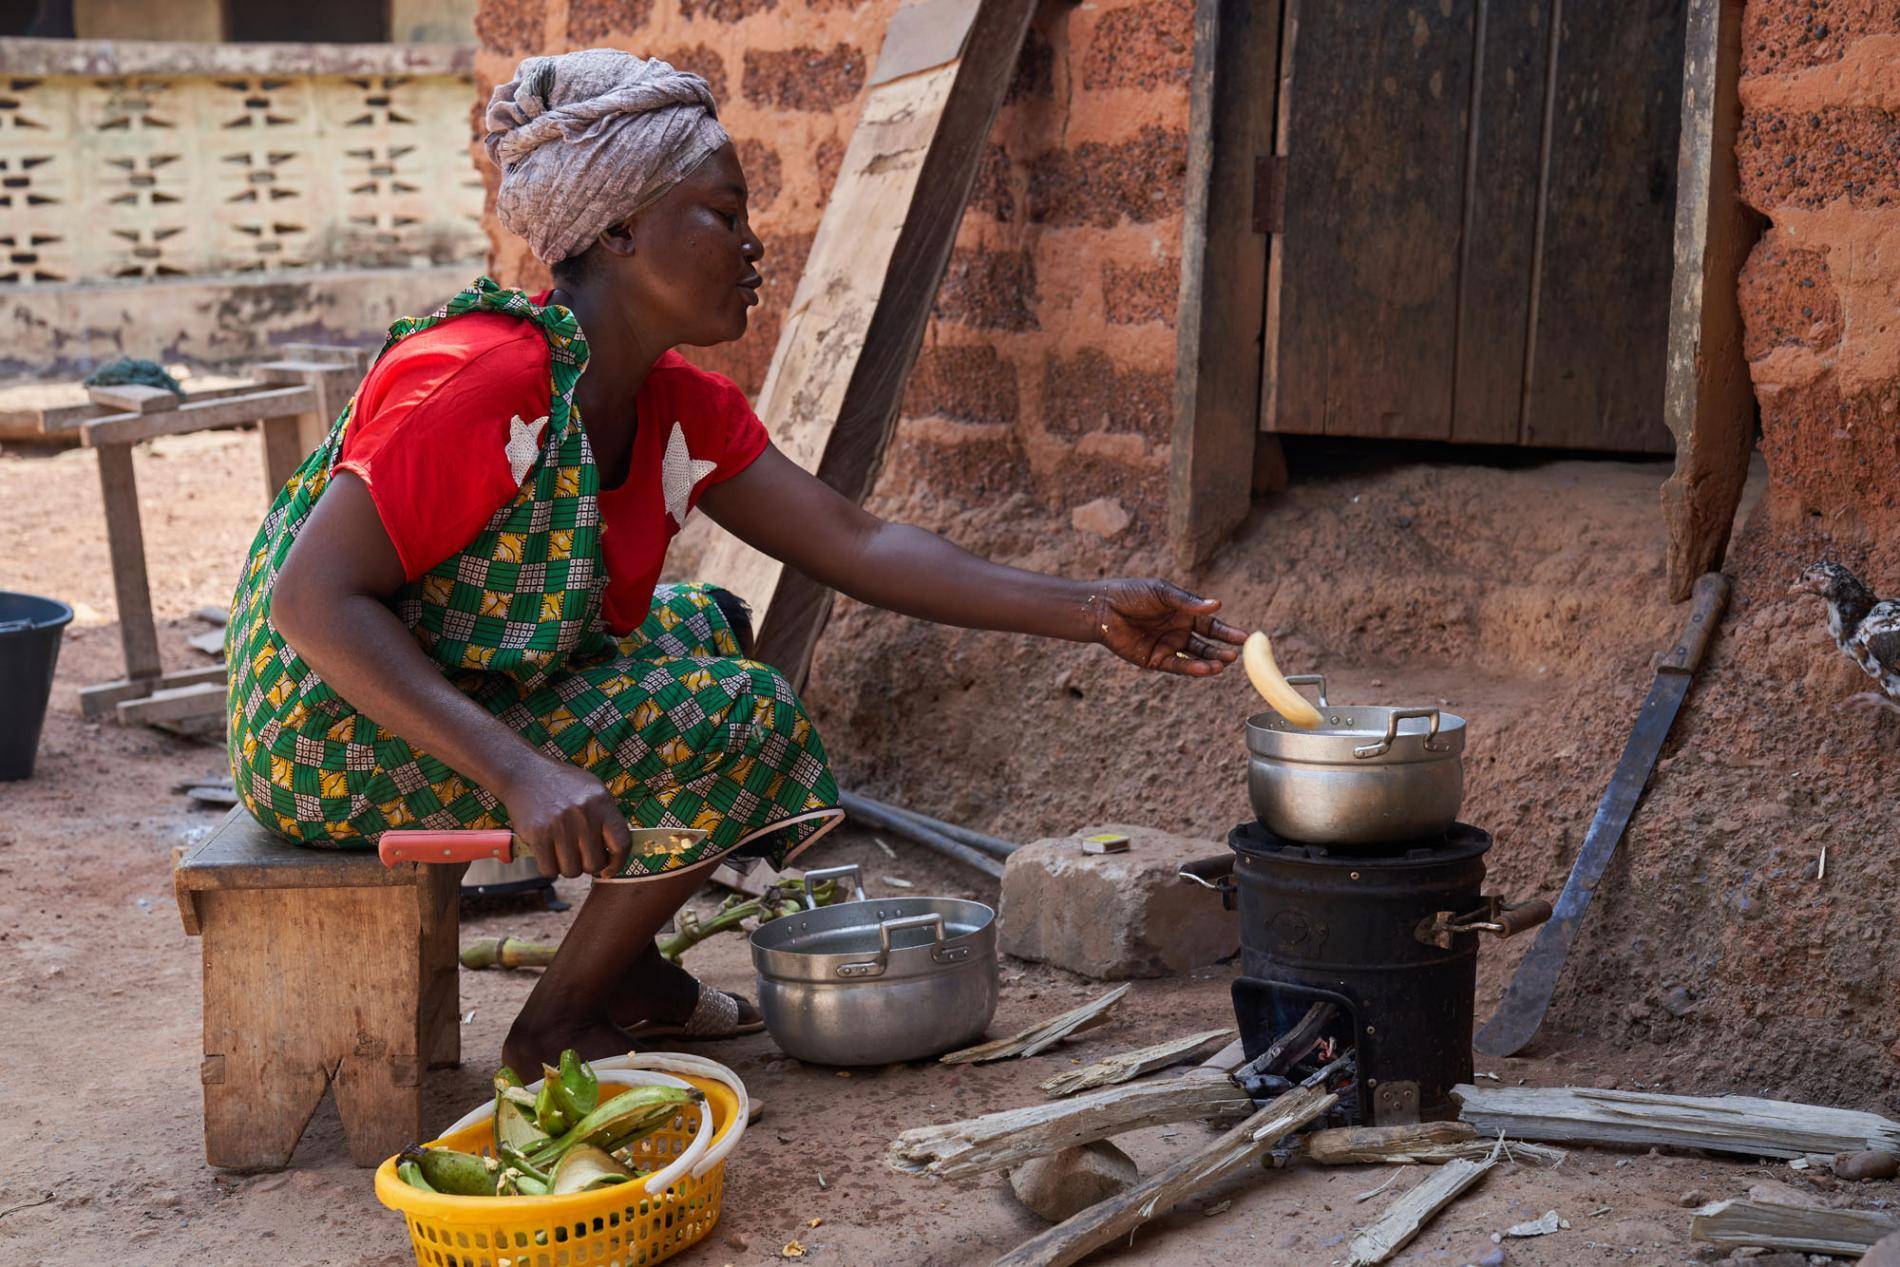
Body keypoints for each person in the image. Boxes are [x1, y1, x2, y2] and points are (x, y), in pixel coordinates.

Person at [226, 49, 1246, 1072]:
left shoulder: (676, 405)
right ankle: (554, 1030)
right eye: (725, 213)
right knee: (743, 718)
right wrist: (520, 770)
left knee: (709, 623)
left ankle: (620, 963)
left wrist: (1092, 608)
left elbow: (855, 542)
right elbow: (313, 602)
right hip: (323, 721)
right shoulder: (484, 383)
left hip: (447, 664)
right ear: (617, 229)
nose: (755, 246)